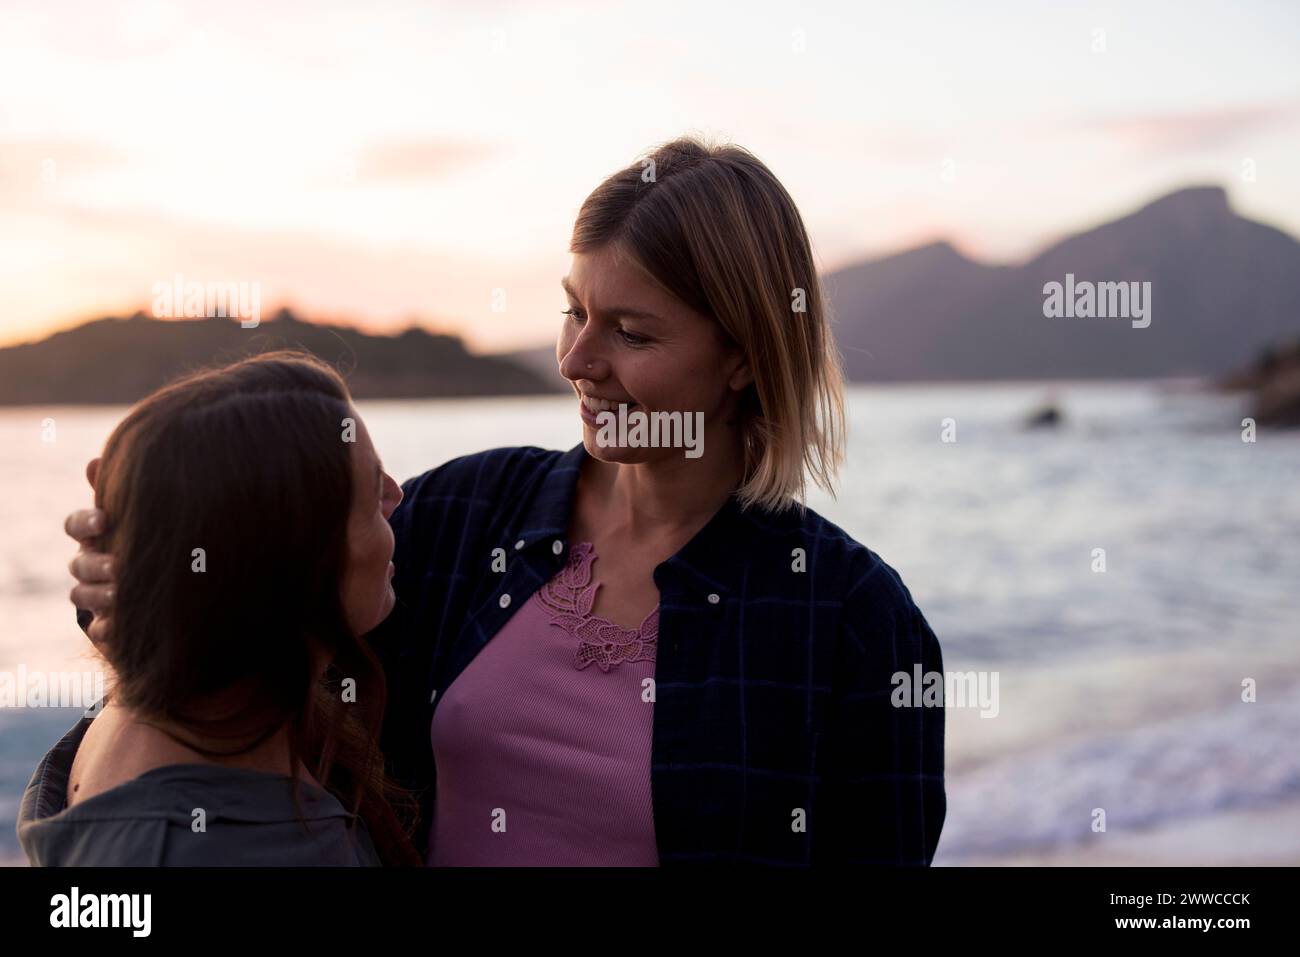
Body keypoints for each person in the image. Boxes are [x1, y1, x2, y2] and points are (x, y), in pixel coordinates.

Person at [65, 136, 946, 865]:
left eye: (632, 333)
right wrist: (133, 579)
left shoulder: (854, 621)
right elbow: (239, 657)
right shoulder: (460, 515)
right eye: (574, 313)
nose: (576, 361)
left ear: (745, 358)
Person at [26, 352, 419, 866]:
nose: (399, 495)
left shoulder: (138, 715)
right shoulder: (236, 849)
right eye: (371, 494)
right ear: (291, 566)